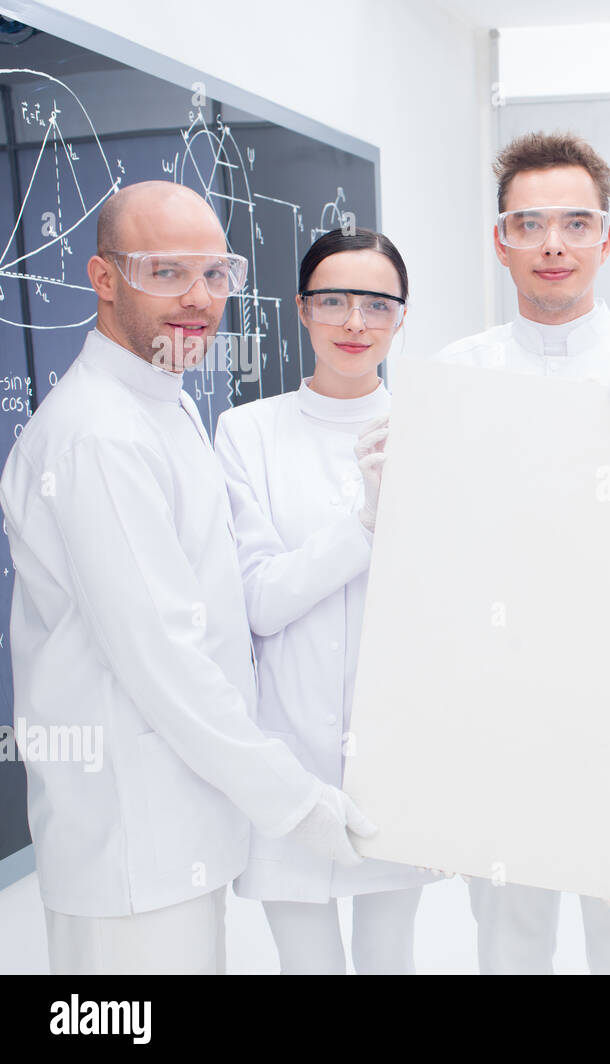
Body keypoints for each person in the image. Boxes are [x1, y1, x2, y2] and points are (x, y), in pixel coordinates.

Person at [0, 182, 375, 975]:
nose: (200, 301)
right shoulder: (98, 436)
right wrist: (298, 799)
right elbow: (163, 658)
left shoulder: (162, 407)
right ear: (104, 280)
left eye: (216, 274)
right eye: (167, 273)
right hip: (132, 839)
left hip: (178, 826)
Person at [433, 130, 610, 974]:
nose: (552, 244)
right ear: (500, 241)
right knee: (508, 932)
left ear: (606, 238)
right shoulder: (456, 373)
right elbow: (445, 555)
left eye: (574, 223)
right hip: (501, 700)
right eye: (528, 224)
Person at [213, 228, 435, 974]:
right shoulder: (246, 434)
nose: (354, 323)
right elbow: (260, 602)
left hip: (399, 752)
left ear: (402, 317)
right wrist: (366, 522)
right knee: (305, 965)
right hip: (290, 760)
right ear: (301, 311)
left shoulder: (437, 435)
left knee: (388, 959)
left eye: (377, 304)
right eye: (332, 301)